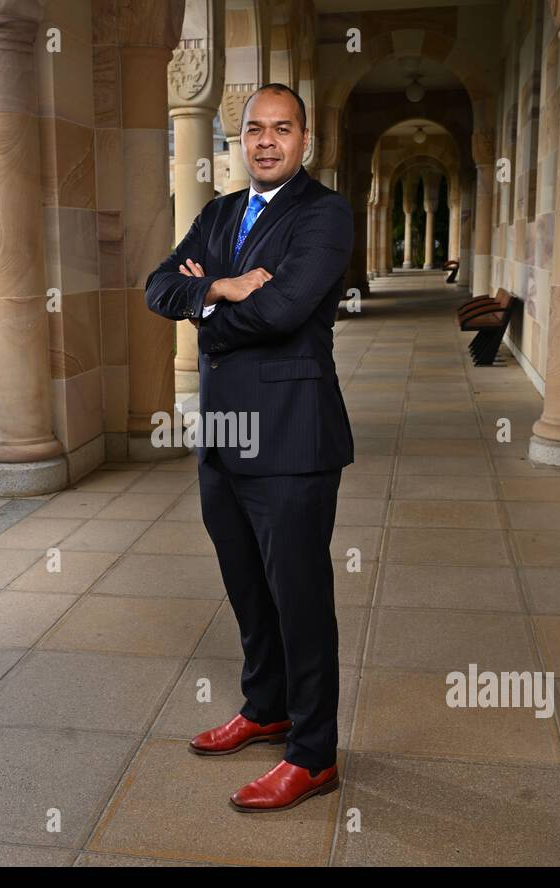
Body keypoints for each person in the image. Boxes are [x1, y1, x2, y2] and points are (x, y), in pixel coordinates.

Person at [145, 82, 354, 813]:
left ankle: (313, 753)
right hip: (224, 440)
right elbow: (157, 285)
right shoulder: (219, 213)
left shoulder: (324, 214)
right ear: (239, 139)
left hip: (294, 439)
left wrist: (209, 311)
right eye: (255, 129)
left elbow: (286, 309)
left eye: (283, 128)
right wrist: (224, 287)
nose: (267, 141)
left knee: (300, 596)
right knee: (247, 586)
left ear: (305, 139)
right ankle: (266, 706)